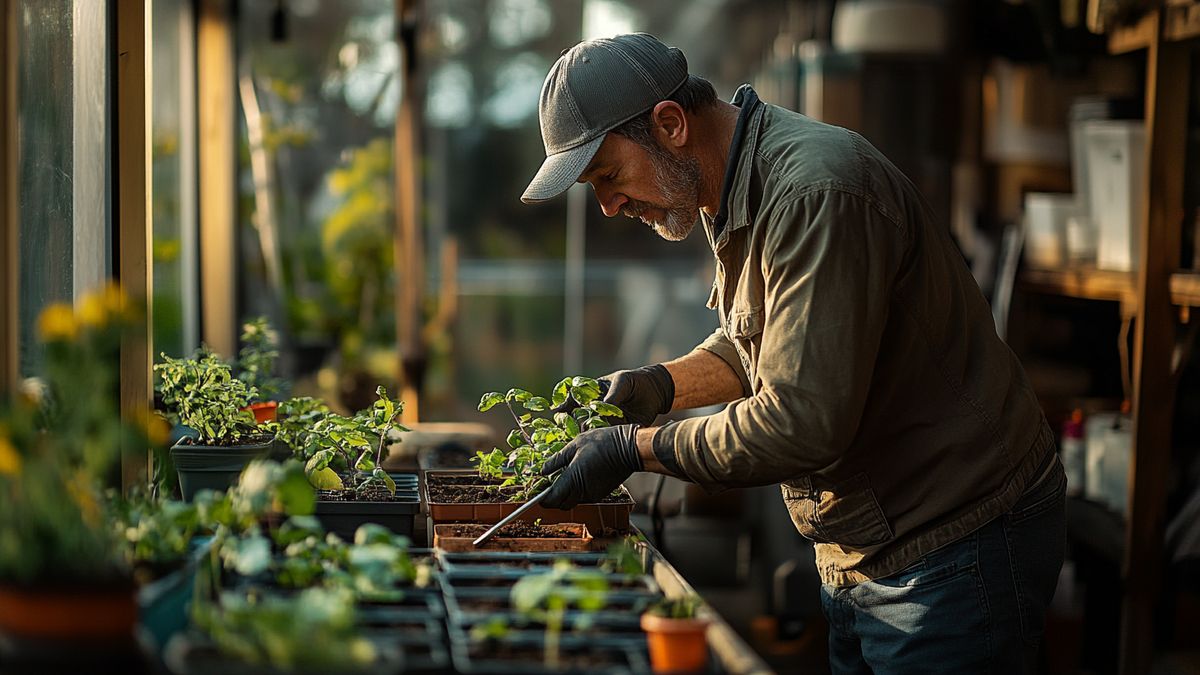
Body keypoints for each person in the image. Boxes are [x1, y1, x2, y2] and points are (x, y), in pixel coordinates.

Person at [520, 33, 1065, 673]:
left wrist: (634, 449)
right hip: (864, 550)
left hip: (955, 544)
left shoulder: (815, 193)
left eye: (607, 176)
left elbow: (800, 421)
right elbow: (767, 342)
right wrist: (656, 386)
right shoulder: (731, 189)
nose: (609, 207)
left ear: (670, 124)